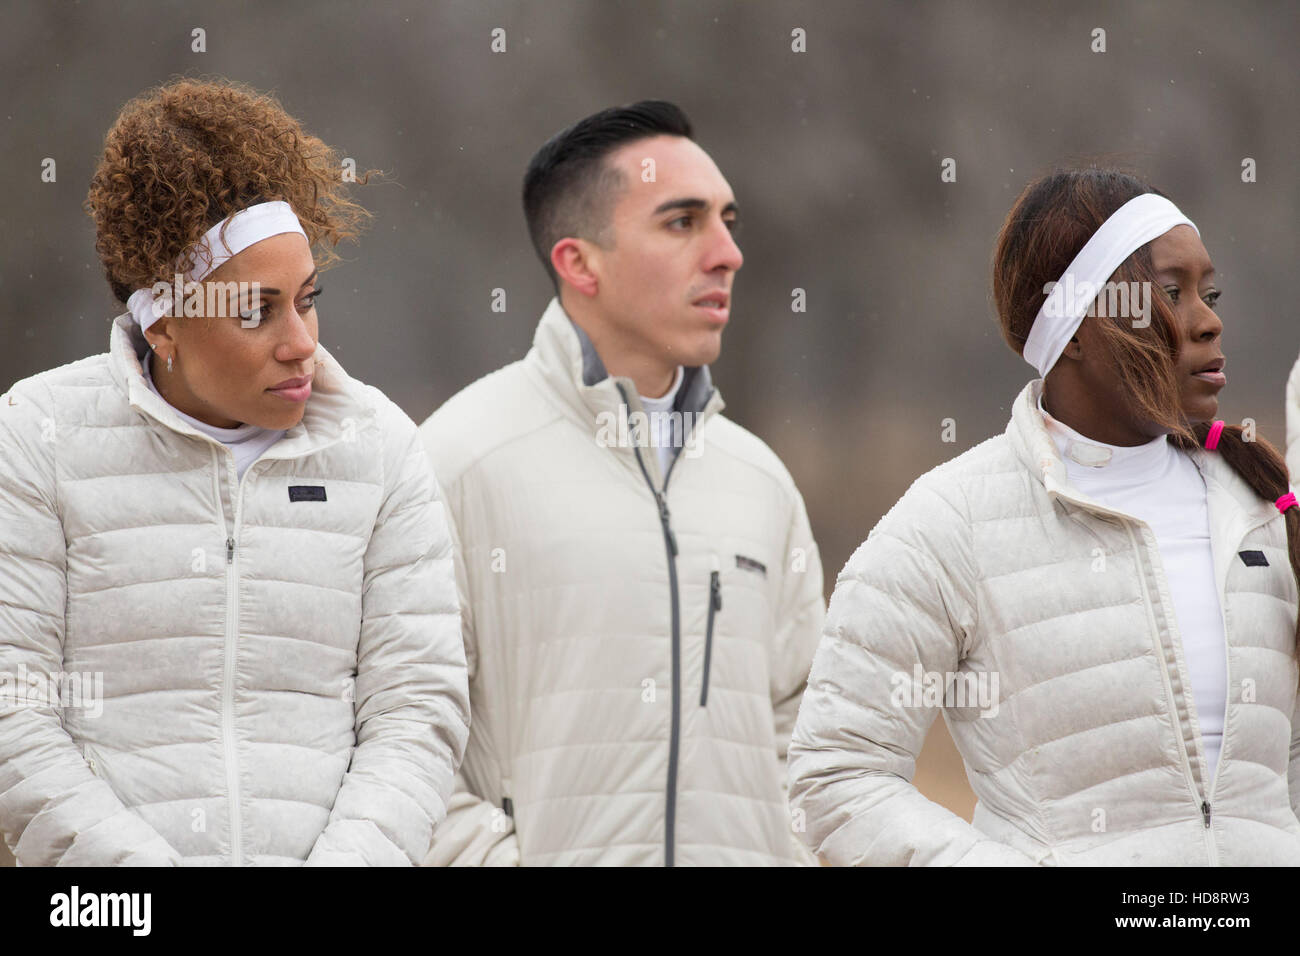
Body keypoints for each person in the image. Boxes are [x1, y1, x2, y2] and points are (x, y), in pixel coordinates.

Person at [0, 78, 470, 866]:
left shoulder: (381, 446)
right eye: (257, 311)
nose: (301, 342)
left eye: (308, 300)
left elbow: (415, 708)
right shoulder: (36, 435)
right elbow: (16, 711)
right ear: (167, 325)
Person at [788, 167, 1300, 866]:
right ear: (1078, 331)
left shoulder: (1261, 509)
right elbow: (835, 774)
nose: (1209, 320)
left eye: (1208, 294)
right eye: (1172, 293)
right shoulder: (951, 522)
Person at [418, 101, 825, 865]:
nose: (728, 253)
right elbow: (398, 745)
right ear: (579, 263)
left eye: (728, 221)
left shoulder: (761, 482)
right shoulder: (455, 462)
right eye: (683, 222)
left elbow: (810, 735)